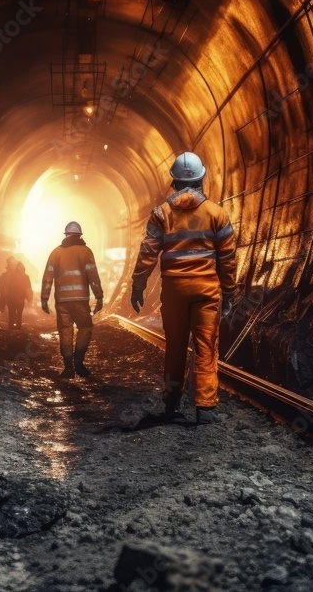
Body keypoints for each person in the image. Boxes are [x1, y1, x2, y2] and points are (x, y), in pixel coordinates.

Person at [130, 152, 237, 424]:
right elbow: (227, 259)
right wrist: (229, 293)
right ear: (202, 179)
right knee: (205, 347)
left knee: (175, 347)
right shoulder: (217, 214)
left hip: (175, 292)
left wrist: (138, 284)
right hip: (206, 292)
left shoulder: (161, 215)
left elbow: (148, 253)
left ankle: (172, 403)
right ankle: (205, 407)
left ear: (174, 182)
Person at [41, 222, 103, 378]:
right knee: (85, 327)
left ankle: (68, 368)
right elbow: (93, 276)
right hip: (80, 300)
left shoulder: (55, 253)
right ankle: (79, 362)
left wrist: (44, 298)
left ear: (66, 235)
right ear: (79, 235)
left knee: (65, 331)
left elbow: (47, 278)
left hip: (62, 301)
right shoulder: (86, 252)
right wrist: (99, 296)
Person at [7, 261, 33, 329]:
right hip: (19, 299)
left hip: (13, 299)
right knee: (18, 315)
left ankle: (11, 328)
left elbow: (9, 288)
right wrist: (29, 300)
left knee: (12, 315)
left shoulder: (12, 275)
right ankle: (18, 328)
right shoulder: (25, 277)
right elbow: (28, 289)